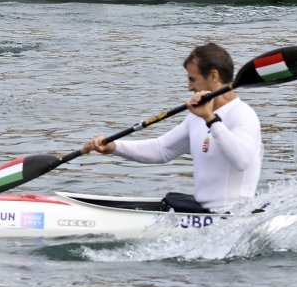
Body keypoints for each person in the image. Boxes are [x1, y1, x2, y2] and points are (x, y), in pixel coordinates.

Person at [80, 43, 262, 213]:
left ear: (213, 76)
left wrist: (210, 119)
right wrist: (114, 147)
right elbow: (162, 150)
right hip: (203, 213)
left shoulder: (242, 114)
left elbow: (242, 160)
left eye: (193, 79)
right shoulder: (196, 117)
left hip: (233, 218)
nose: (189, 87)